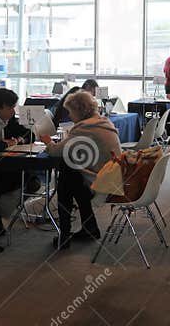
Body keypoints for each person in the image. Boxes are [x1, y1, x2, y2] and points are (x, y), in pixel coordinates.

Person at [41, 91, 121, 250]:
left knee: (67, 175)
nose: (69, 116)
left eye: (70, 112)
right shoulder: (102, 122)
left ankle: (65, 233)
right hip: (114, 176)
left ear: (79, 111)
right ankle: (88, 228)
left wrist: (48, 142)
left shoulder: (84, 128)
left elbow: (56, 151)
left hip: (104, 182)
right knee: (72, 174)